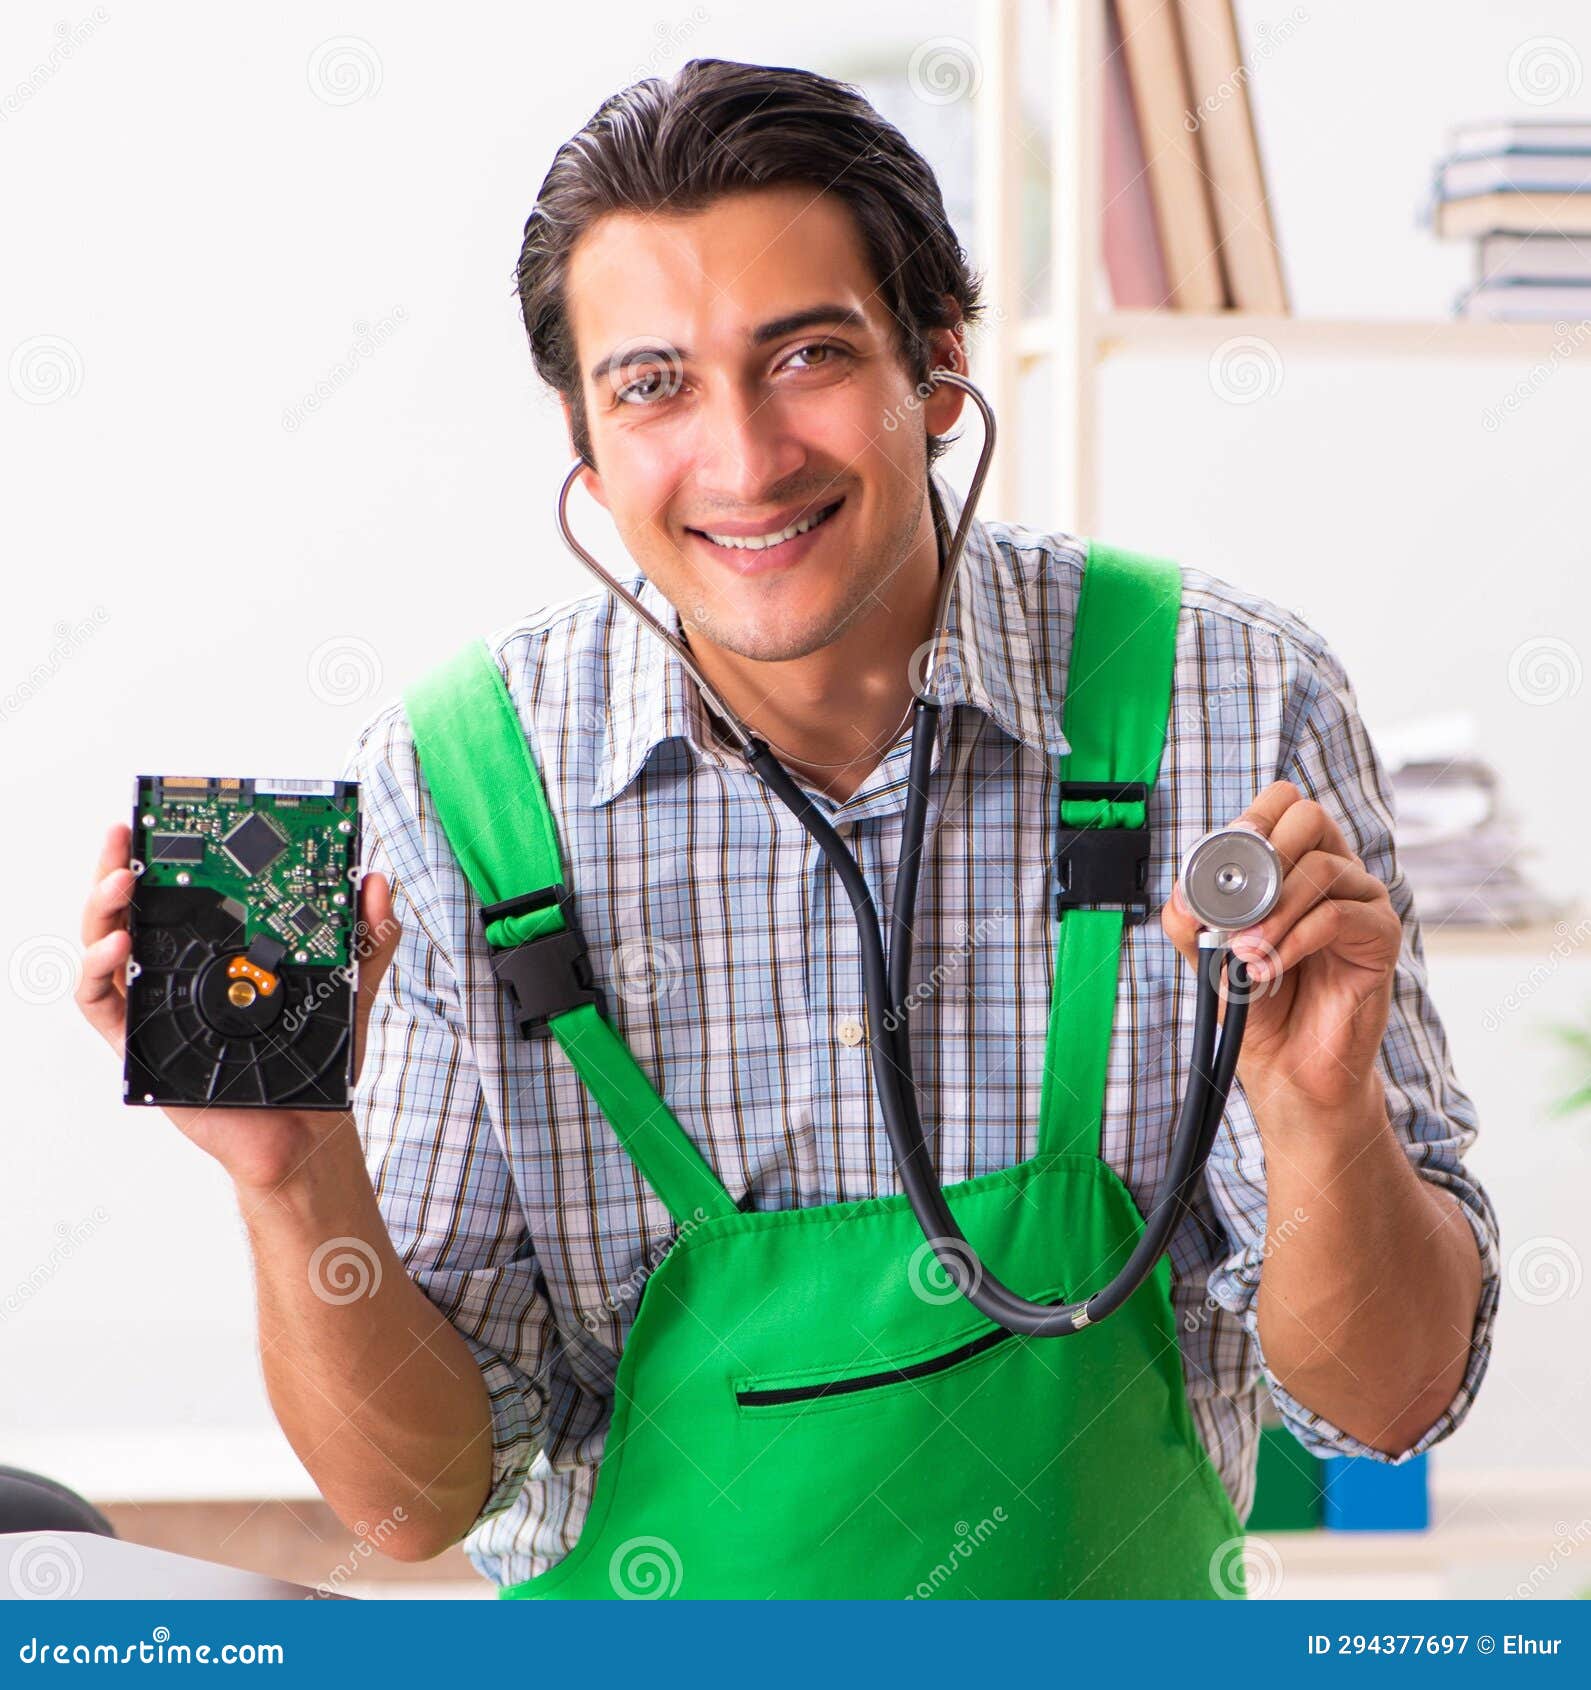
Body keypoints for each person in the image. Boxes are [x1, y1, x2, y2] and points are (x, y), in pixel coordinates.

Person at [77, 58, 1497, 1598]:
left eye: (807, 355)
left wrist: (1322, 1119)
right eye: (653, 384)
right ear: (584, 438)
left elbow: (1387, 1405)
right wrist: (296, 1180)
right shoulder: (455, 791)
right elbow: (417, 1504)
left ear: (940, 368)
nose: (745, 460)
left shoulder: (1232, 702)